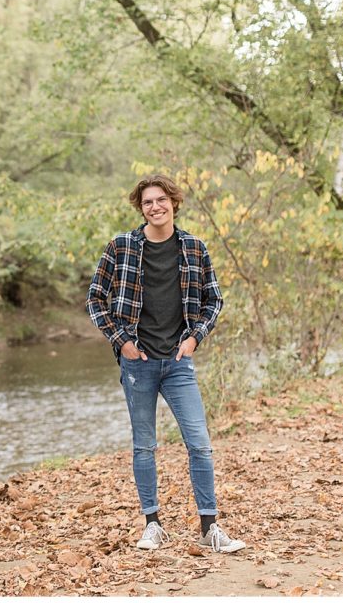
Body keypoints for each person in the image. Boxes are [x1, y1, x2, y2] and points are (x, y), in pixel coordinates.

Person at [85, 174, 245, 553]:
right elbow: (95, 298)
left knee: (200, 444)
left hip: (177, 363)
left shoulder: (194, 247)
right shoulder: (121, 247)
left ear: (173, 202)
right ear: (141, 209)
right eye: (147, 202)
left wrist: (193, 338)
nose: (155, 207)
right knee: (144, 446)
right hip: (137, 363)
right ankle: (152, 525)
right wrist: (121, 341)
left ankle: (209, 528)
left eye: (161, 200)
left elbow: (214, 300)